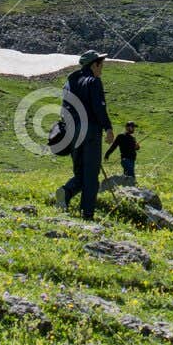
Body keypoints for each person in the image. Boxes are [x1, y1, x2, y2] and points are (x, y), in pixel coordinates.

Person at [55, 51, 115, 220]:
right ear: (94, 64)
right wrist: (108, 128)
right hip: (90, 132)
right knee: (91, 176)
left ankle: (66, 192)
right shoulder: (93, 81)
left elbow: (64, 109)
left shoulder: (70, 82)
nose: (102, 69)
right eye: (101, 65)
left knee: (80, 173)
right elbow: (99, 108)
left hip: (72, 132)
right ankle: (87, 214)